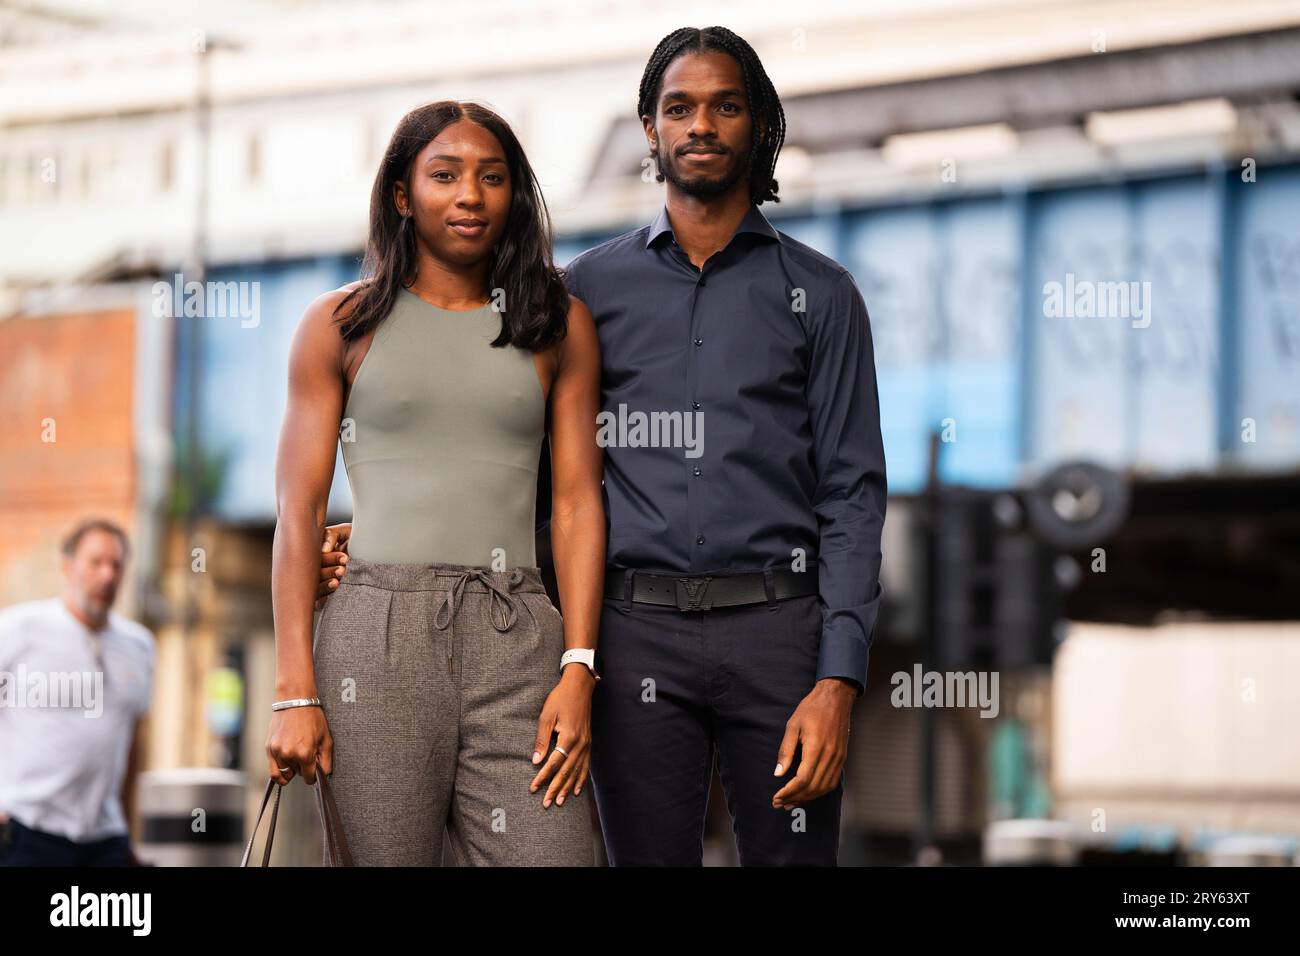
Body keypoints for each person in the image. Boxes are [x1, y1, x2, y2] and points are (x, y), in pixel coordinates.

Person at [320, 26, 887, 866]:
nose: (701, 125)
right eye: (679, 108)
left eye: (725, 107)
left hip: (782, 640)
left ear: (760, 125)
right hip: (631, 645)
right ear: (649, 131)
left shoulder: (823, 296)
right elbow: (523, 470)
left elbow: (851, 495)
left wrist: (837, 680)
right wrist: (377, 537)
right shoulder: (578, 297)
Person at [269, 100, 604, 866]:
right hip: (373, 641)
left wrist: (580, 666)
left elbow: (580, 503)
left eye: (492, 177)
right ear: (401, 193)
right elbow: (298, 511)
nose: (469, 196)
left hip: (517, 637)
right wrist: (296, 692)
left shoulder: (557, 323)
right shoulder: (338, 325)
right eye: (444, 175)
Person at [0, 519, 153, 867]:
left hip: (106, 840)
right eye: (96, 562)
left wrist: (129, 832)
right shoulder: (18, 630)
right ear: (68, 567)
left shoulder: (139, 645)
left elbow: (133, 743)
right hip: (27, 834)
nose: (107, 575)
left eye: (116, 565)